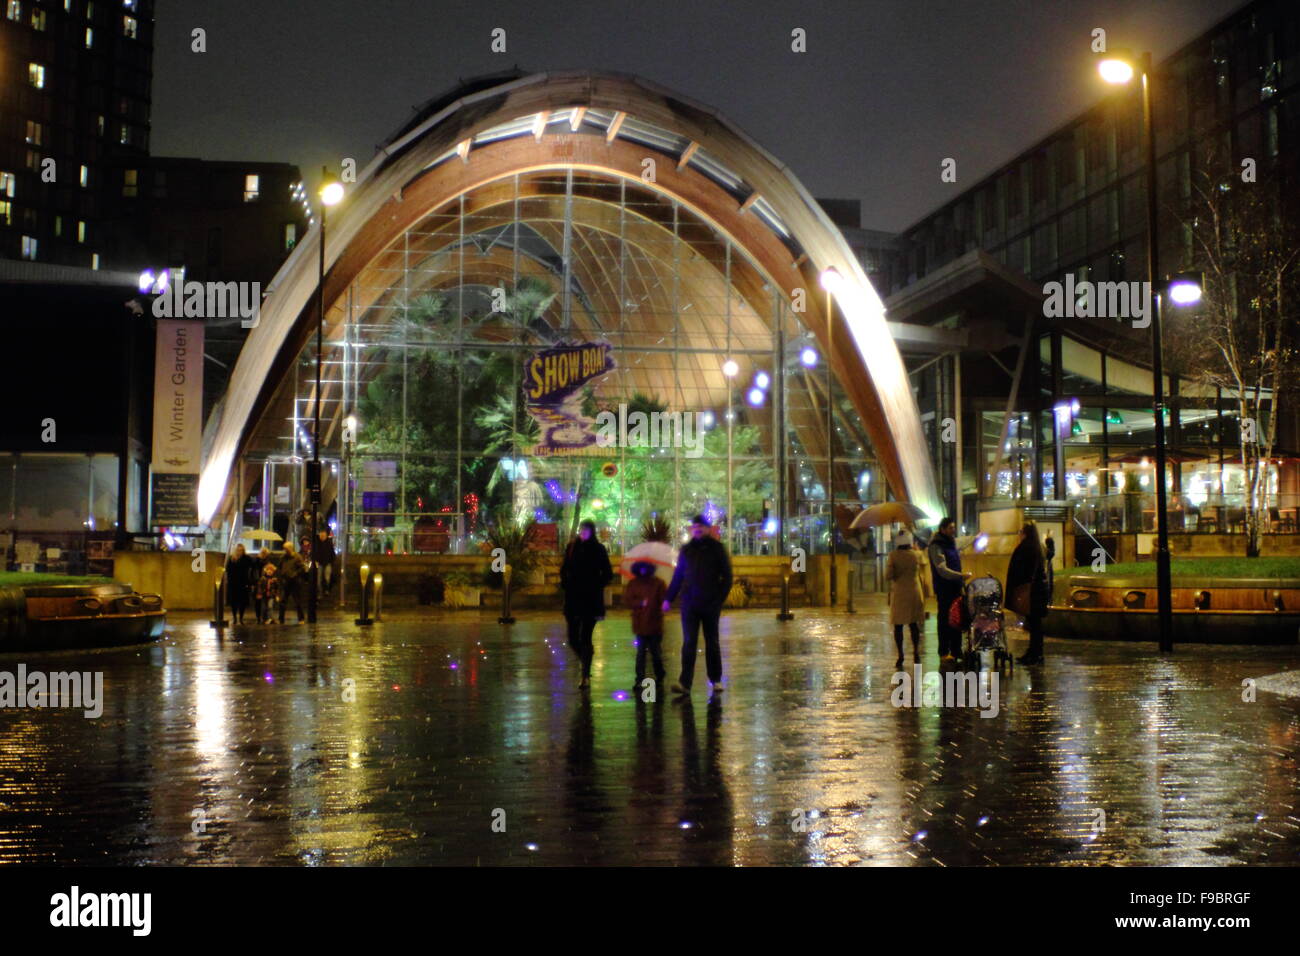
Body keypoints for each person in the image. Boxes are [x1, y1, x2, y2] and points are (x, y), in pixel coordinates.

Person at [663, 513, 733, 697]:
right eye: (695, 527)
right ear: (692, 530)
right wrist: (668, 599)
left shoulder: (717, 549)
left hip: (710, 603)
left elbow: (727, 577)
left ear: (708, 529)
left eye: (701, 527)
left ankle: (716, 679)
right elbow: (678, 576)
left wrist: (718, 599)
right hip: (690, 604)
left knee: (712, 642)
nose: (697, 530)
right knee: (689, 643)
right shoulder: (687, 550)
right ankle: (685, 683)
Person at [559, 520, 613, 689]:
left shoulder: (598, 549)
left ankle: (585, 675)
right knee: (573, 638)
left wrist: (596, 585)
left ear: (592, 531)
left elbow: (608, 573)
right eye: (581, 529)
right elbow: (564, 569)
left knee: (585, 637)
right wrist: (566, 583)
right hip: (573, 598)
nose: (583, 532)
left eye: (586, 530)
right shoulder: (572, 548)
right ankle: (585, 659)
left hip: (591, 599)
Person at [1007, 520, 1052, 665]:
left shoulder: (1027, 547)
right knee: (1035, 624)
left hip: (1031, 591)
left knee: (1034, 624)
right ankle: (1034, 653)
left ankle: (1035, 654)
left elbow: (1021, 570)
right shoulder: (1037, 546)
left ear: (1024, 533)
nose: (1019, 534)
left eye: (1020, 532)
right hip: (1037, 590)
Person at [927, 517, 972, 662]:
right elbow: (941, 569)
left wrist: (977, 537)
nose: (953, 530)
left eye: (954, 528)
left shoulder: (951, 542)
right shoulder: (936, 545)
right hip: (944, 588)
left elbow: (962, 542)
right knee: (945, 619)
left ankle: (956, 650)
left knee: (957, 618)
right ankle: (944, 651)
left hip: (955, 587)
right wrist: (961, 576)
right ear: (943, 529)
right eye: (951, 528)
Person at [884, 530, 929, 669]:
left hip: (899, 593)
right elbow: (923, 565)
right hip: (915, 592)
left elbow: (888, 575)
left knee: (898, 625)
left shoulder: (893, 556)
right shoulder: (916, 554)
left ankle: (901, 655)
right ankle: (916, 652)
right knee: (913, 624)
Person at [623, 560, 667, 691]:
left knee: (655, 652)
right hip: (641, 624)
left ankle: (659, 674)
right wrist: (641, 603)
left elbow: (663, 600)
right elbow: (628, 600)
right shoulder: (634, 583)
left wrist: (663, 604)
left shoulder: (658, 583)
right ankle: (640, 679)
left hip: (654, 623)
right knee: (641, 653)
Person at [277, 541, 308, 624]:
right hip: (285, 581)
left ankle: (301, 618)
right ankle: (281, 619)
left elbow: (302, 568)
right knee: (283, 601)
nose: (285, 551)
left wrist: (295, 574)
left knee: (297, 601)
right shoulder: (283, 557)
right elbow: (279, 567)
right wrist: (281, 576)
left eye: (286, 549)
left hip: (295, 581)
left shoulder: (297, 557)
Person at [226, 544, 255, 624]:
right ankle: (235, 617)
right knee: (234, 601)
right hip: (233, 583)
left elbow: (253, 565)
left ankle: (241, 617)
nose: (240, 552)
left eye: (241, 550)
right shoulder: (232, 559)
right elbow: (228, 570)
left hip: (243, 582)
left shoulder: (246, 558)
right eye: (238, 550)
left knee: (242, 601)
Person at [255, 555, 280, 624]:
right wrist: (259, 594)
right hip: (264, 595)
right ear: (265, 571)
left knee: (270, 606)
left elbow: (277, 588)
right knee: (264, 608)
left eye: (271, 571)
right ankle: (264, 618)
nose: (269, 572)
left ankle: (270, 618)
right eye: (268, 570)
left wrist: (277, 595)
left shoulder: (274, 580)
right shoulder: (263, 579)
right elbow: (259, 587)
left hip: (271, 595)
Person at [316, 528, 336, 596]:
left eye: (323, 535)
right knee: (319, 579)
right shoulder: (317, 544)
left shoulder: (328, 544)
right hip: (320, 563)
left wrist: (331, 561)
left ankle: (326, 590)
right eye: (321, 535)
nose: (322, 537)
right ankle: (320, 592)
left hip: (327, 562)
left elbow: (332, 554)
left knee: (327, 577)